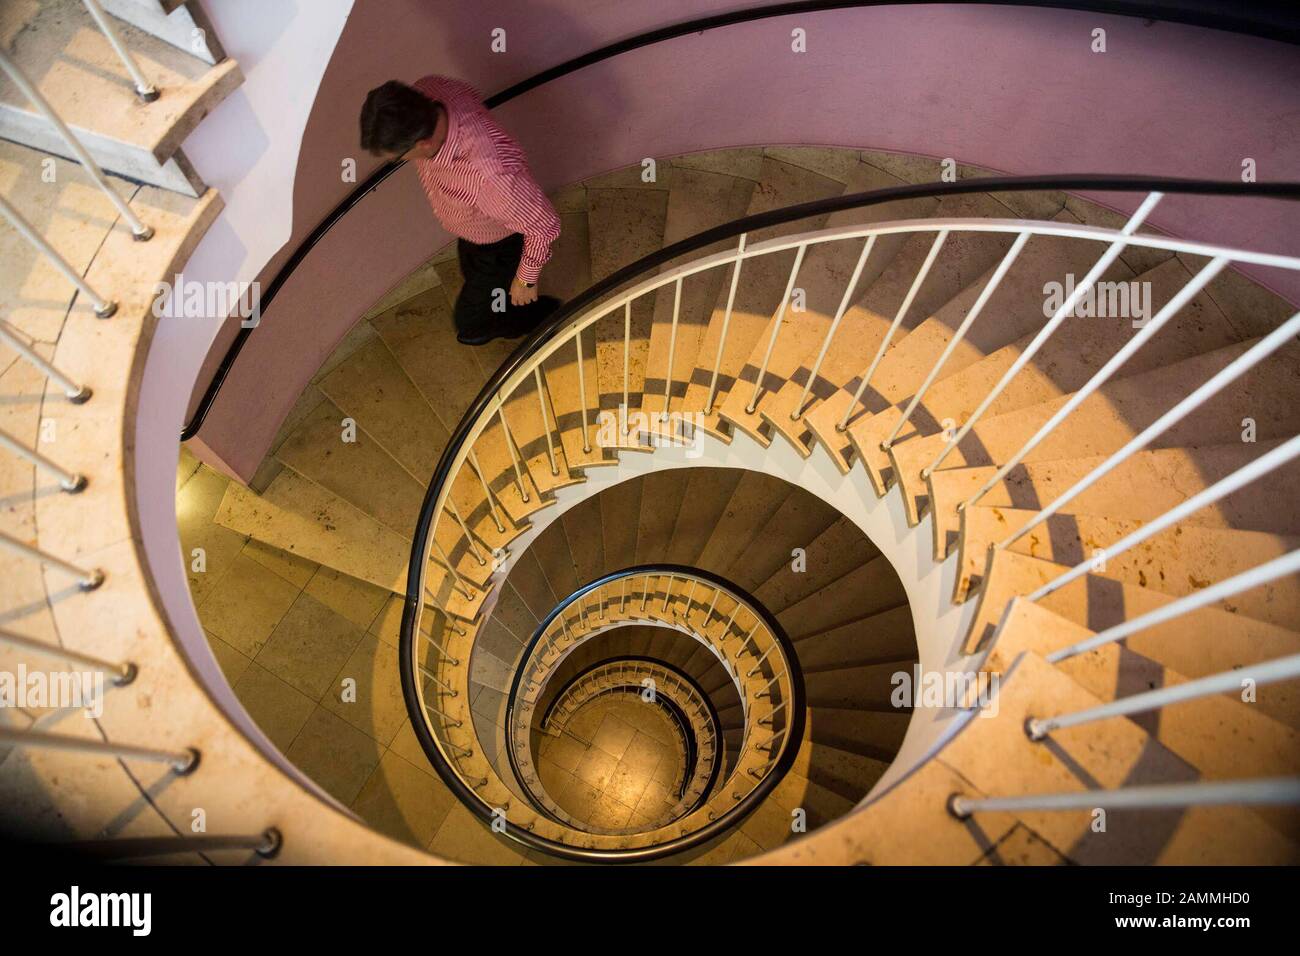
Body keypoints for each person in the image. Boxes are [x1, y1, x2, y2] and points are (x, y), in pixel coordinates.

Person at [359, 76, 562, 345]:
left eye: (398, 157)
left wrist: (525, 281)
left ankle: (540, 315)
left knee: (472, 320)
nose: (400, 161)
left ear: (424, 144)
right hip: (474, 231)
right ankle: (507, 303)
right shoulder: (430, 89)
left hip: (500, 245)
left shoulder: (490, 178)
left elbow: (544, 225)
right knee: (480, 280)